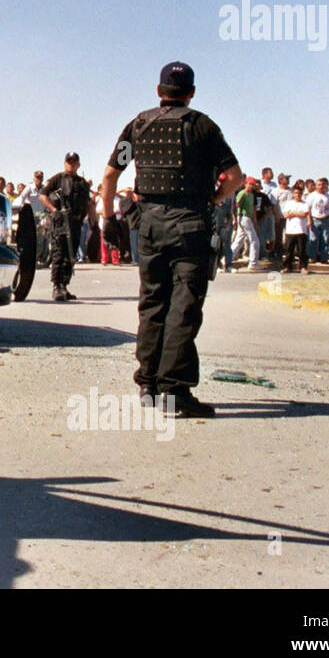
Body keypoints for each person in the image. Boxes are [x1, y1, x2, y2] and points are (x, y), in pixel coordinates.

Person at [102, 62, 244, 418]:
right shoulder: (203, 126)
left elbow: (110, 175)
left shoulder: (138, 125)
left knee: (152, 303)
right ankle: (174, 392)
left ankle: (148, 385)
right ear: (191, 93)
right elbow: (236, 178)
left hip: (150, 225)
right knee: (184, 307)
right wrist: (212, 200)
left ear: (158, 90)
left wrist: (107, 217)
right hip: (190, 225)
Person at [40, 152, 92, 301]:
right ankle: (57, 286)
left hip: (76, 222)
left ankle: (64, 285)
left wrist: (93, 221)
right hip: (61, 223)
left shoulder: (82, 183)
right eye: (68, 162)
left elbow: (88, 203)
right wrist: (54, 209)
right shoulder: (58, 179)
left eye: (74, 162)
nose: (71, 164)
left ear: (78, 164)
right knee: (59, 253)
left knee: (71, 254)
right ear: (65, 163)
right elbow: (43, 196)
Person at [232, 178, 264, 271]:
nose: (251, 186)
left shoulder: (251, 195)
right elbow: (236, 205)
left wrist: (255, 221)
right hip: (243, 217)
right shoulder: (242, 193)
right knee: (254, 241)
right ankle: (253, 263)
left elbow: (253, 208)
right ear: (245, 184)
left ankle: (227, 259)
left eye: (252, 184)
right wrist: (236, 217)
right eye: (249, 184)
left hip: (248, 218)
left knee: (239, 240)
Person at [281, 184, 311, 273]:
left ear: (302, 194)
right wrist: (298, 213)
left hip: (301, 230)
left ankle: (303, 267)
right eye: (296, 193)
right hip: (290, 230)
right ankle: (287, 267)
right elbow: (286, 215)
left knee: (302, 250)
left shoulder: (305, 204)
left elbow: (304, 214)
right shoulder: (288, 203)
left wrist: (293, 213)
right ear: (293, 194)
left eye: (299, 193)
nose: (297, 195)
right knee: (289, 250)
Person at [305, 178, 329, 263]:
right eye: (319, 184)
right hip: (314, 219)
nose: (321, 186)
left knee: (325, 239)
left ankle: (324, 258)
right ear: (316, 186)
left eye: (323, 184)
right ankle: (312, 257)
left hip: (325, 219)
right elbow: (308, 209)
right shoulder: (311, 196)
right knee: (313, 239)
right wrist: (309, 220)